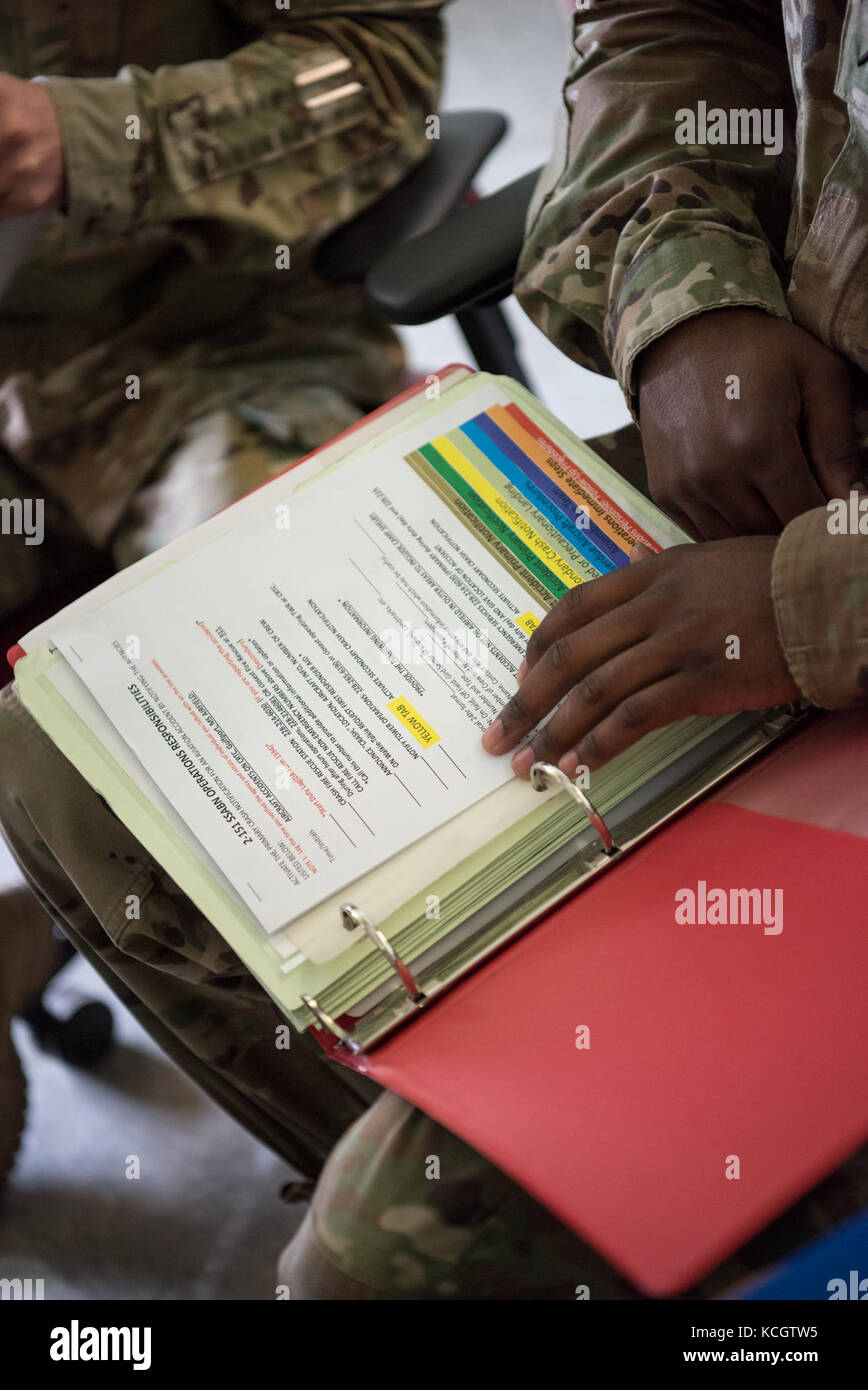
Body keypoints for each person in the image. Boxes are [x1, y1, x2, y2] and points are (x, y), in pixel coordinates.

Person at [1, 0, 866, 1297]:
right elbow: (664, 24)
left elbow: (379, 77)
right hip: (764, 435)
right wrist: (685, 298)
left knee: (372, 1248)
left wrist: (815, 599)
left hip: (201, 364)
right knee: (59, 750)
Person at [0, 0, 448, 1185]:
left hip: (212, 341)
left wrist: (92, 135)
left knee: (299, 758)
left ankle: (429, 1197)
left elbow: (387, 72)